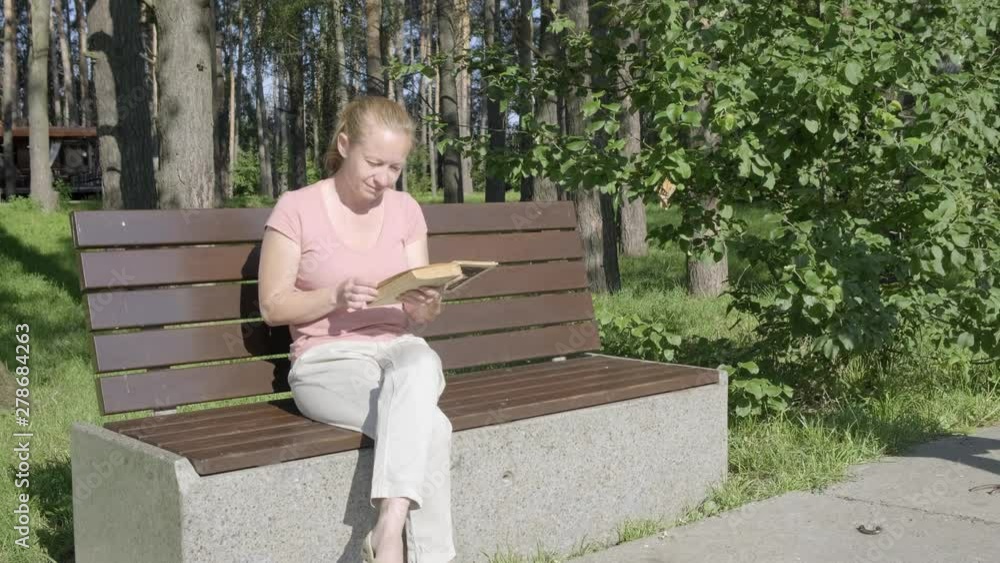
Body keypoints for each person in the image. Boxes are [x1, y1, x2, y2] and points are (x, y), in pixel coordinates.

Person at [257, 96, 455, 563]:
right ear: (344, 145)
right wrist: (333, 296)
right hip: (327, 363)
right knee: (434, 427)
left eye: (395, 167)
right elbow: (272, 306)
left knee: (421, 356)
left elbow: (420, 316)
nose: (384, 179)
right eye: (374, 163)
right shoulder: (297, 208)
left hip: (399, 355)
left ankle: (387, 534)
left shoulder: (406, 211)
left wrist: (424, 304)